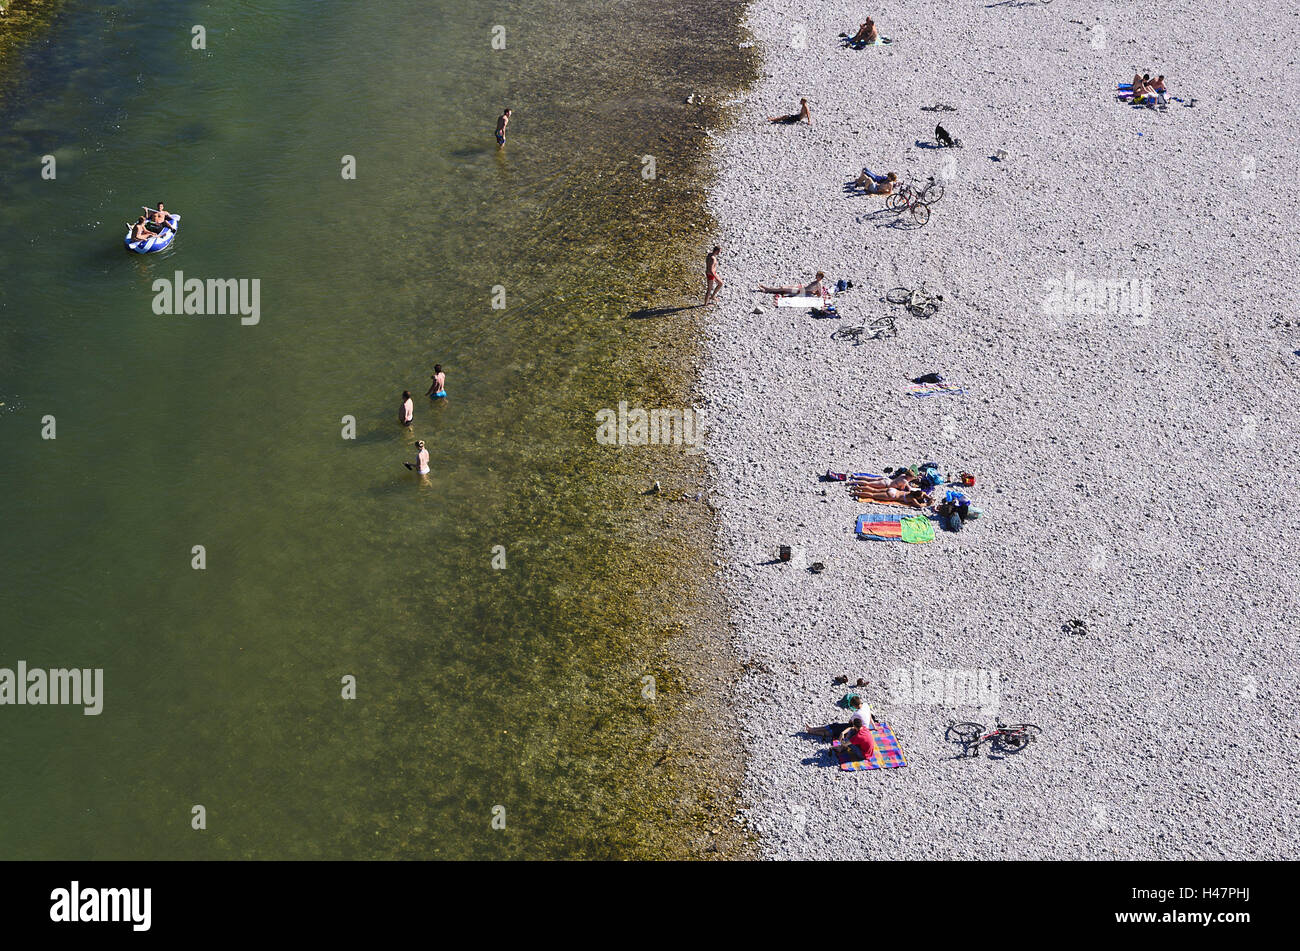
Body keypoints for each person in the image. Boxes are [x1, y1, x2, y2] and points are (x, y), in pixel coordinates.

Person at [757, 271, 827, 298]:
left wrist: (814, 293)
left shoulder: (819, 283)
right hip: (802, 288)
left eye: (817, 275)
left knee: (783, 288)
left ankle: (767, 289)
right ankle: (767, 289)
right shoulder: (818, 282)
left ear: (820, 277)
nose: (816, 276)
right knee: (784, 288)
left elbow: (820, 293)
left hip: (801, 291)